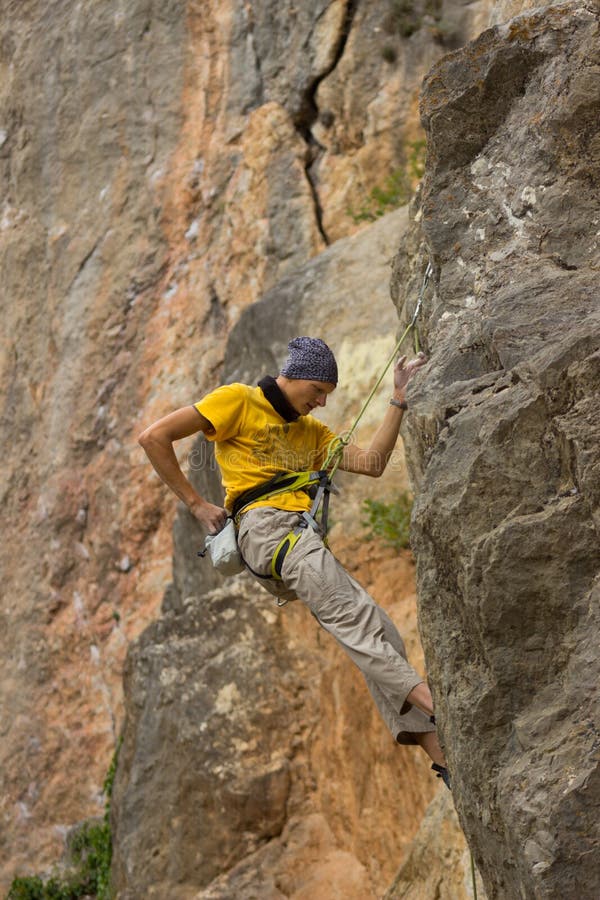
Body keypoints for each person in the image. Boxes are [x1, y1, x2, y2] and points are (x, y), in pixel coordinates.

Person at [138, 336, 449, 786]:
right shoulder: (238, 401)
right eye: (318, 390)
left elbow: (373, 463)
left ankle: (443, 758)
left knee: (380, 633)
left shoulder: (312, 434)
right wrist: (195, 504)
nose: (321, 403)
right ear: (295, 375)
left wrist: (398, 398)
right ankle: (446, 712)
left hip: (292, 538)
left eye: (327, 396)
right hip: (267, 531)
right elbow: (153, 437)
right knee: (357, 620)